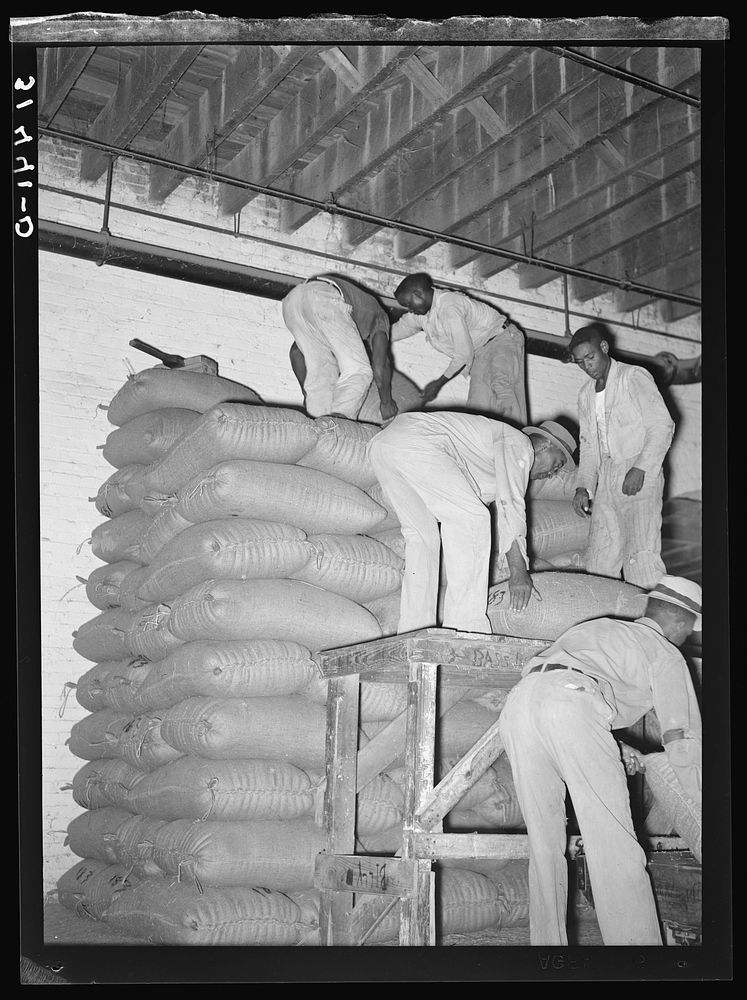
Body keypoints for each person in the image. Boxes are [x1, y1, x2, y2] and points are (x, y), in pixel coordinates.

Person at [497, 574, 702, 946]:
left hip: (519, 704)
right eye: (689, 630)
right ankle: (638, 963)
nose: (687, 638)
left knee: (543, 846)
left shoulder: (599, 628)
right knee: (613, 846)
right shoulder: (665, 652)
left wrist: (617, 748)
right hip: (572, 703)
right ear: (680, 621)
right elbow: (682, 739)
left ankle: (548, 957)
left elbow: (568, 697)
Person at [368, 412, 576, 633]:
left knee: (422, 537)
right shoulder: (521, 444)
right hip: (416, 441)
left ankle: (414, 627)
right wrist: (518, 571)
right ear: (544, 444)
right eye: (557, 463)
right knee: (473, 518)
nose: (553, 473)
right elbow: (511, 506)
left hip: (384, 446)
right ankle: (466, 626)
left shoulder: (493, 457)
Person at [569, 322, 675, 589]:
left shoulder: (633, 377)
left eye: (590, 357)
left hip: (638, 468)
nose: (587, 366)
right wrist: (583, 486)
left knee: (640, 556)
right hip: (606, 474)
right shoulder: (585, 395)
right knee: (599, 560)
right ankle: (607, 625)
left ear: (604, 348)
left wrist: (642, 467)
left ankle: (651, 627)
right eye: (580, 362)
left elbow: (662, 425)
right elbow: (589, 446)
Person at [390, 272, 527, 424]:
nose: (409, 309)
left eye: (409, 304)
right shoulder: (422, 314)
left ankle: (517, 440)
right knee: (477, 406)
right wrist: (377, 336)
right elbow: (403, 327)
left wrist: (438, 384)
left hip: (501, 339)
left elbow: (463, 354)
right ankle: (483, 445)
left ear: (418, 294)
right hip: (480, 352)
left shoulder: (449, 306)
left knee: (502, 387)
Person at [282, 274, 397, 421]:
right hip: (324, 298)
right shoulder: (380, 316)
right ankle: (339, 425)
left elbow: (296, 352)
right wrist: (386, 402)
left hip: (292, 302)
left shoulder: (341, 324)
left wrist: (307, 394)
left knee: (323, 378)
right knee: (359, 371)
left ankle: (316, 423)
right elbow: (381, 365)